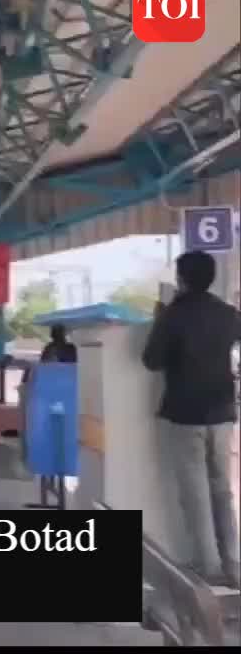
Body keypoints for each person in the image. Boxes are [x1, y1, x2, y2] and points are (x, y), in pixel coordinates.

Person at [141, 250, 241, 589]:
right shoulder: (229, 314)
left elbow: (151, 361)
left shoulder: (173, 315)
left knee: (195, 489)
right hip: (223, 411)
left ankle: (208, 566)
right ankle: (234, 564)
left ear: (182, 279)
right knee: (222, 489)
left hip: (186, 413)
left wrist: (159, 318)